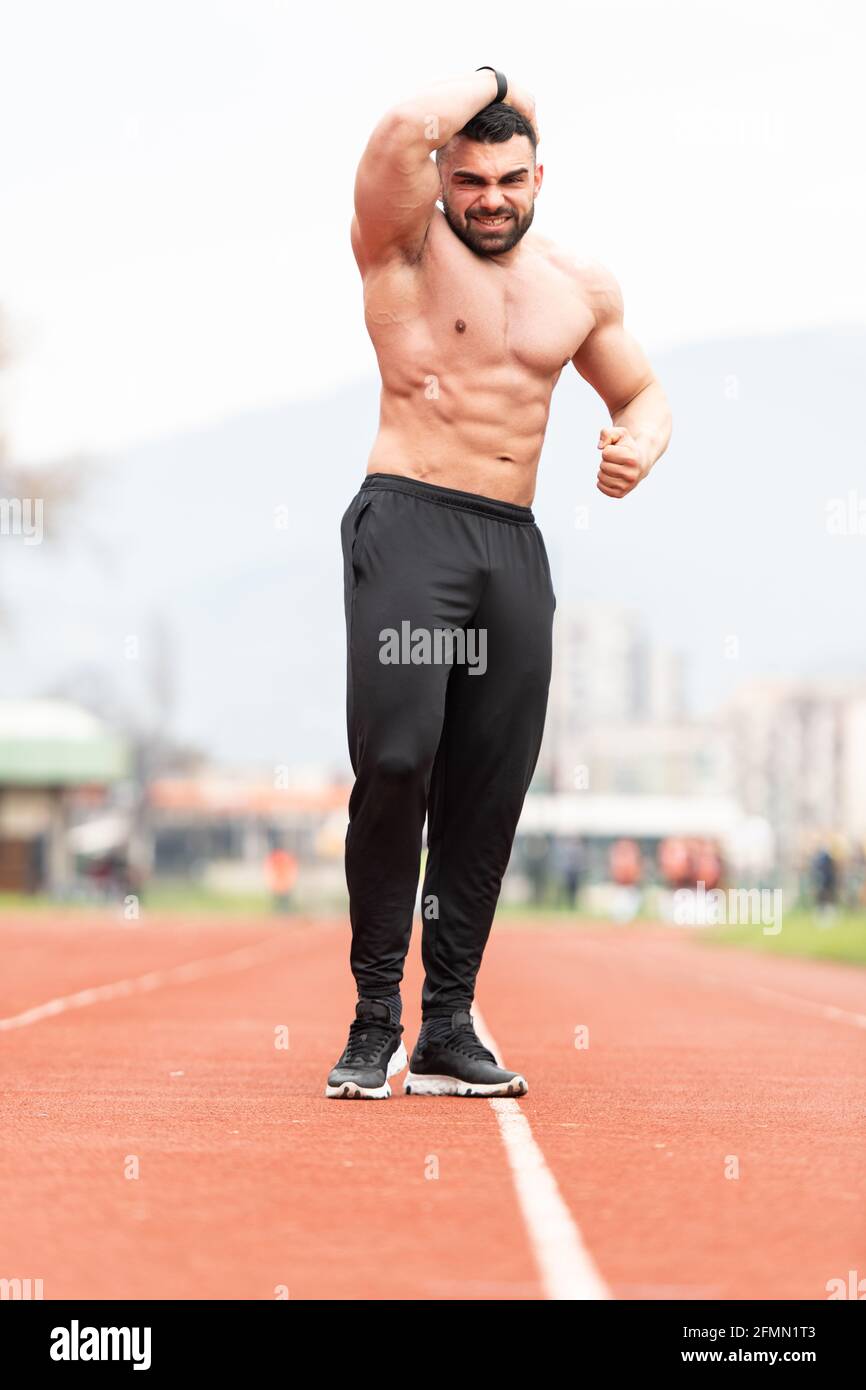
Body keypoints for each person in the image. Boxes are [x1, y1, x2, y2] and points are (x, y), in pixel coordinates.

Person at [326, 68, 672, 1100]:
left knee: (488, 786)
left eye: (507, 179)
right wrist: (498, 76)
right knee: (397, 761)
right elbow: (396, 127)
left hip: (508, 547)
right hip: (410, 525)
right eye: (468, 177)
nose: (488, 197)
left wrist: (637, 443)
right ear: (443, 178)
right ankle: (372, 1017)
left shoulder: (577, 285)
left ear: (537, 177)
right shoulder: (402, 245)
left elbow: (642, 389)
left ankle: (444, 1027)